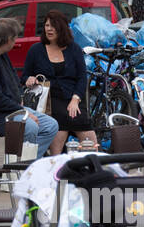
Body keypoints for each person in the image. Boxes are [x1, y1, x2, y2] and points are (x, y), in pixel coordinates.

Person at [0, 16, 58, 157]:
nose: (16, 41)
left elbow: (14, 79)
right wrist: (22, 111)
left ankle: (26, 162)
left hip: (7, 108)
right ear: (8, 40)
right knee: (29, 126)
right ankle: (21, 168)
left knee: (51, 125)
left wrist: (20, 99)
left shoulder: (0, 54)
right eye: (15, 38)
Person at [21, 10, 97, 155]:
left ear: (61, 28)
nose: (49, 29)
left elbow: (82, 78)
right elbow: (24, 76)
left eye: (53, 26)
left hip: (73, 98)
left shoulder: (74, 49)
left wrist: (75, 99)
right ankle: (57, 166)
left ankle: (94, 167)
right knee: (60, 122)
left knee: (87, 133)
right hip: (49, 101)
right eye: (47, 25)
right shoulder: (36, 50)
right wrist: (28, 79)